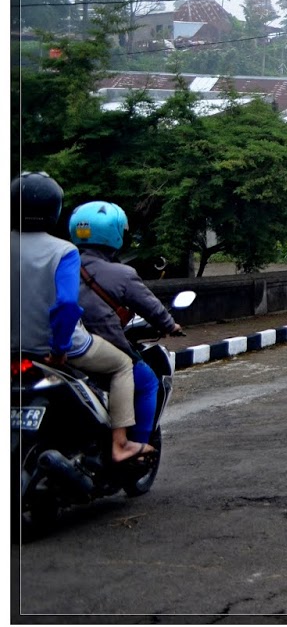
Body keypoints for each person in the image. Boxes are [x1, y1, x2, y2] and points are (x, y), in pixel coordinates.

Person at [10, 174, 148, 462]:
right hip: (54, 348)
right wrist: (59, 351)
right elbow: (67, 305)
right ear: (54, 211)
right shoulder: (63, 250)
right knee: (123, 364)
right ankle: (120, 443)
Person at [69, 200, 185, 452]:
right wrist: (170, 325)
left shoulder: (59, 265)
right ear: (113, 234)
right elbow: (151, 307)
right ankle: (137, 446)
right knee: (146, 381)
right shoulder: (122, 273)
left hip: (52, 345)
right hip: (97, 345)